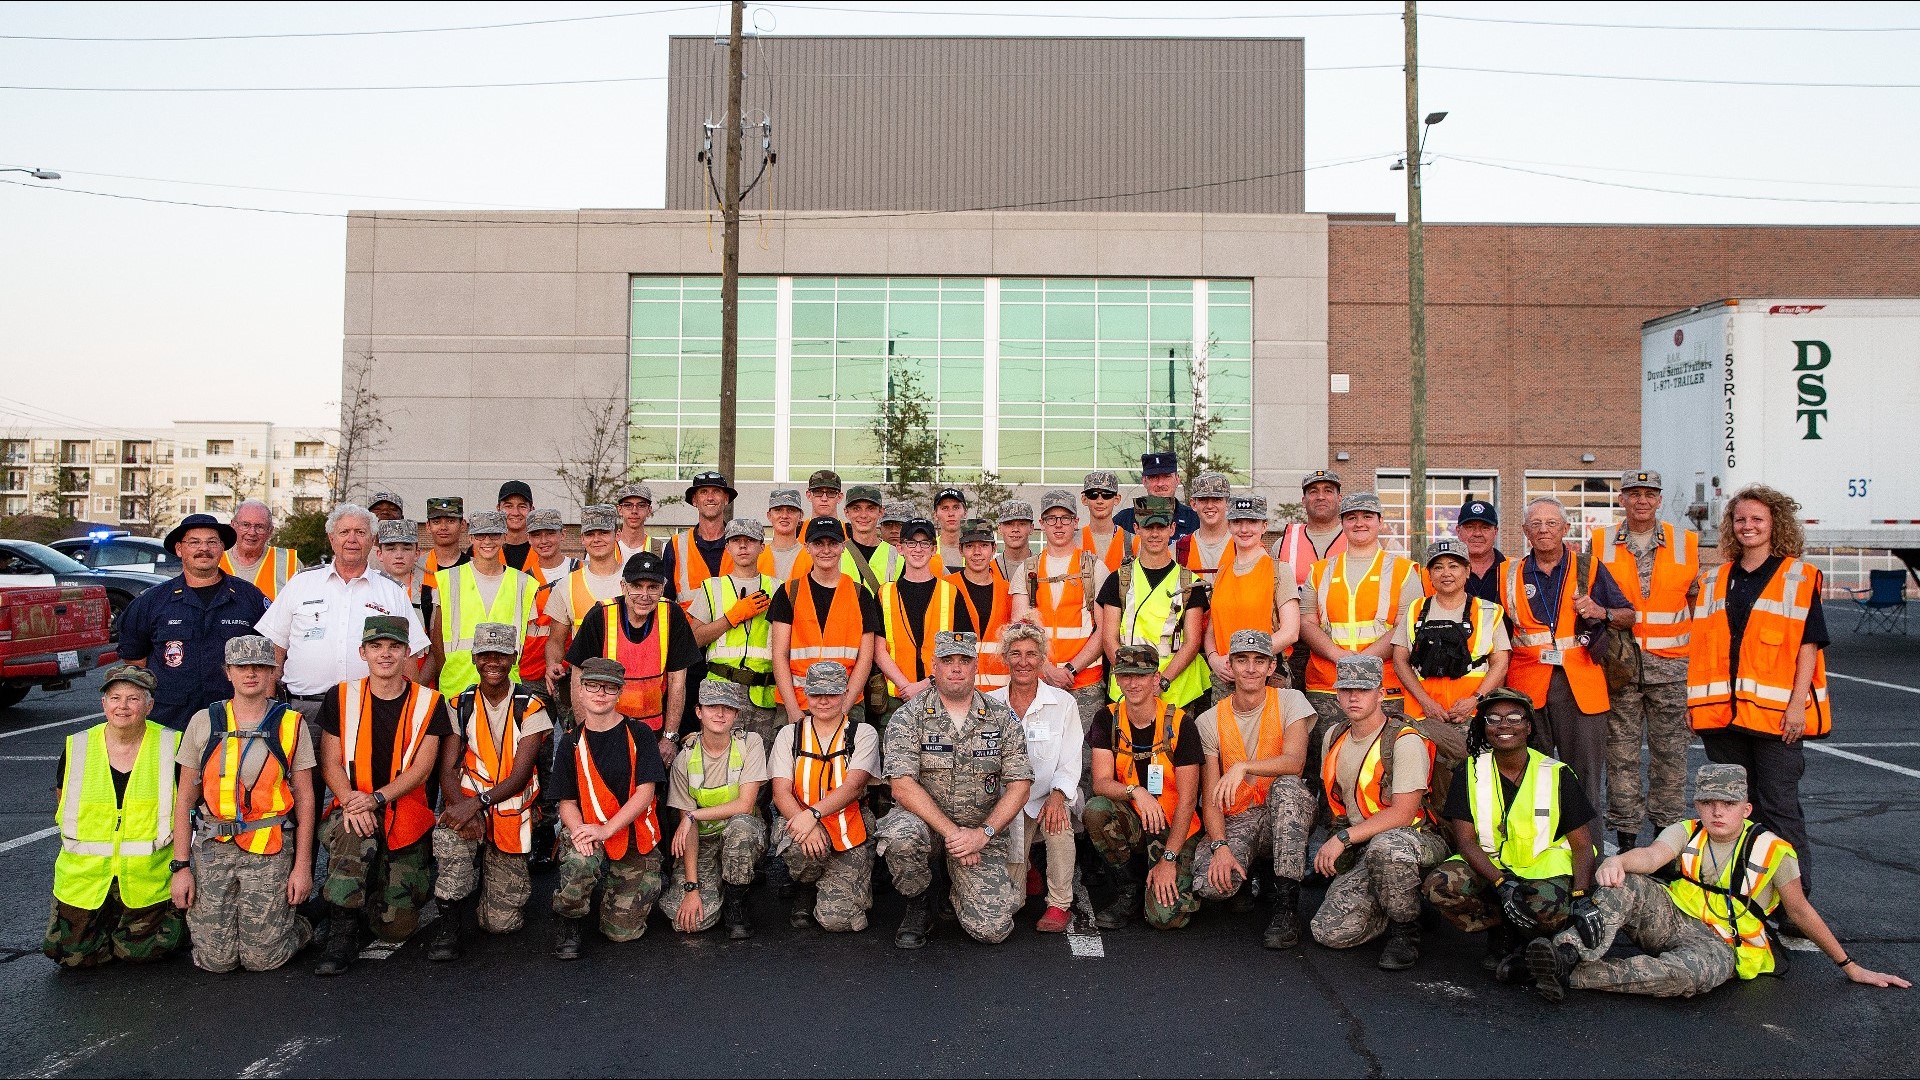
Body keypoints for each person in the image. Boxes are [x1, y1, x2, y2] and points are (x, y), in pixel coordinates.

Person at [1526, 764, 1907, 1001]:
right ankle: (1566, 952)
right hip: (1674, 918)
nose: (1717, 811)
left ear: (1746, 808)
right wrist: (1618, 859)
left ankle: (1571, 974)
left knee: (1686, 977)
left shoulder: (1774, 851)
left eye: (1727, 804)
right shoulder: (1687, 830)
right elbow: (1652, 856)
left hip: (1725, 942)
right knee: (1625, 883)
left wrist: (1850, 966)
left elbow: (1800, 912)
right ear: (1698, 804)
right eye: (1708, 802)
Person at [1688, 484, 1831, 895]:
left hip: (1776, 718)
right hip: (1721, 718)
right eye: (1740, 519)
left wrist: (1797, 706)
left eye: (1757, 520)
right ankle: (1742, 898)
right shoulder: (1714, 578)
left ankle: (1792, 911)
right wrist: (1692, 704)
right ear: (1731, 527)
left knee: (1779, 811)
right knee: (1730, 815)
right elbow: (1703, 647)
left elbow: (1809, 646)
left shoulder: (1799, 577)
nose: (1748, 526)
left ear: (1775, 525)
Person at [1421, 689, 1598, 983]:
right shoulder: (1470, 770)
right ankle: (1500, 928)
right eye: (1493, 719)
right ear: (1484, 727)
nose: (1504, 725)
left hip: (1542, 869)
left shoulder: (1557, 774)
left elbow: (1582, 845)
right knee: (1439, 886)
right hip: (1492, 868)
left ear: (1529, 727)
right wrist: (1502, 885)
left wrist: (1580, 896)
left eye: (1515, 718)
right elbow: (1465, 841)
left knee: (1551, 911)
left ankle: (1526, 939)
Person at [311, 616, 451, 976]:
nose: (385, 654)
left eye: (394, 647)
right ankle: (342, 931)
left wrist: (375, 799)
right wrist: (353, 801)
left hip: (404, 814)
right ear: (363, 651)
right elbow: (330, 763)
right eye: (376, 646)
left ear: (407, 653)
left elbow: (421, 769)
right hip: (352, 807)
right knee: (354, 835)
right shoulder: (340, 696)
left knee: (396, 925)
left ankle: (359, 892)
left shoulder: (430, 702)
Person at [876, 631, 1033, 949]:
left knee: (993, 930)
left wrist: (983, 834)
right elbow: (902, 786)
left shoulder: (1001, 717)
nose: (956, 668)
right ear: (933, 666)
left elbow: (1020, 786)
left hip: (981, 833)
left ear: (976, 666)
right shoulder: (909, 717)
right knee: (899, 836)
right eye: (948, 661)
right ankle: (919, 903)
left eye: (964, 661)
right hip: (929, 829)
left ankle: (954, 883)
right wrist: (954, 836)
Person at [169, 636, 316, 973]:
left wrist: (303, 865)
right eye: (242, 666)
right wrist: (181, 867)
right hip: (213, 845)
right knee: (215, 962)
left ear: (273, 673)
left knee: (262, 960)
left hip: (270, 846)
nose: (251, 673)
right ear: (228, 672)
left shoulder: (291, 724)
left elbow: (306, 797)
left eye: (261, 667)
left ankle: (299, 927)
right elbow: (185, 799)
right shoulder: (203, 721)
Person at [1309, 655, 1446, 971]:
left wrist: (1342, 838)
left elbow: (1402, 813)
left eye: (1363, 689)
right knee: (1328, 932)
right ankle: (1398, 900)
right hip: (1363, 844)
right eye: (1346, 689)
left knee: (1387, 846)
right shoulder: (1333, 736)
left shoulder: (1403, 740)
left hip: (1413, 840)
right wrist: (1343, 840)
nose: (1353, 697)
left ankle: (1406, 932)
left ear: (1381, 694)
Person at [1500, 496, 1635, 815]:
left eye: (1551, 523)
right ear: (1525, 531)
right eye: (1535, 524)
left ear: (1566, 528)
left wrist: (1602, 612)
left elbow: (1628, 615)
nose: (1543, 530)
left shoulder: (1588, 566)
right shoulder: (1508, 574)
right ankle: (1535, 857)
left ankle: (1589, 859)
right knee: (1529, 779)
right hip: (1527, 691)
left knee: (1585, 782)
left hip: (1581, 687)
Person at [44, 665, 185, 968]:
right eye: (115, 697)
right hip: (85, 879)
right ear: (103, 704)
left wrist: (184, 870)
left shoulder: (172, 744)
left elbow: (189, 812)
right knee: (75, 959)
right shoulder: (77, 746)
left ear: (149, 705)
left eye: (133, 698)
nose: (123, 706)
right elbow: (62, 800)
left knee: (141, 955)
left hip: (149, 879)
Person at [426, 623, 550, 961]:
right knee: (450, 838)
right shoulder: (459, 702)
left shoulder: (531, 705)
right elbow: (447, 767)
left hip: (508, 809)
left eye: (500, 655)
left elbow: (522, 774)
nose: (491, 661)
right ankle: (448, 925)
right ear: (474, 657)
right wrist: (462, 807)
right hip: (468, 801)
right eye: (484, 654)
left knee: (500, 924)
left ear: (513, 657)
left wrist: (478, 804)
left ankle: (490, 888)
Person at [1592, 470, 1700, 854]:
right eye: (1633, 493)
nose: (1641, 500)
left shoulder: (1686, 543)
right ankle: (1624, 842)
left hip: (1671, 670)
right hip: (1621, 669)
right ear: (1621, 499)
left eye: (1649, 494)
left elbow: (1695, 605)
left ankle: (1665, 845)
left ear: (1658, 499)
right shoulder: (1600, 541)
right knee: (1620, 758)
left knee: (1670, 759)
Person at [1191, 630, 1318, 949]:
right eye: (1242, 660)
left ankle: (1286, 908)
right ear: (1230, 666)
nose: (1250, 668)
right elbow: (1210, 798)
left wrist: (1243, 766)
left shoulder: (1291, 701)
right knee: (1209, 884)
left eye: (1259, 661)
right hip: (1241, 817)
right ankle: (1250, 872)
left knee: (1288, 788)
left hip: (1285, 816)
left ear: (1271, 666)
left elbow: (1294, 762)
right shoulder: (1209, 720)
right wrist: (1220, 846)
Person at [255, 503, 430, 721]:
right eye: (344, 532)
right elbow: (275, 651)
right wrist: (269, 708)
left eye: (360, 532)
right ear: (331, 538)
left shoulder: (392, 591)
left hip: (372, 710)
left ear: (372, 539)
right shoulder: (301, 584)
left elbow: (410, 658)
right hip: (304, 710)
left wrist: (410, 714)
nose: (352, 539)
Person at [548, 656, 670, 959]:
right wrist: (580, 833)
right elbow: (567, 802)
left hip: (630, 833)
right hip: (590, 827)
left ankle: (609, 897)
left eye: (608, 688)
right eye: (592, 686)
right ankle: (570, 919)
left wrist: (607, 829)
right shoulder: (571, 742)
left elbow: (645, 793)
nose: (600, 694)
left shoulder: (639, 734)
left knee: (621, 932)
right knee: (579, 861)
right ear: (579, 690)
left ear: (619, 692)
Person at [1297, 491, 1426, 768]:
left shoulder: (1404, 571)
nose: (1359, 523)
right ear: (1342, 523)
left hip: (1386, 687)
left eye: (1367, 516)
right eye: (1351, 517)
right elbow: (1306, 623)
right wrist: (1340, 657)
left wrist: (1363, 662)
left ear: (1380, 521)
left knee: (1383, 765)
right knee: (1328, 764)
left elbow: (1407, 626)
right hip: (1328, 686)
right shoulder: (1319, 571)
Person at [1084, 644, 1203, 931]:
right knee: (1095, 811)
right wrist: (1136, 791)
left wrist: (1169, 860)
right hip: (1136, 818)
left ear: (1155, 678)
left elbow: (1188, 802)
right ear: (1116, 678)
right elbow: (1100, 782)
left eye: (1141, 675)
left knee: (1165, 919)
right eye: (1125, 676)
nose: (1133, 683)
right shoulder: (1107, 718)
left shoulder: (1181, 723)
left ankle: (1178, 875)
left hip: (1175, 825)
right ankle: (1129, 888)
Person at [116, 512, 269, 731]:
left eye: (211, 542)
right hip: (170, 720)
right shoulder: (151, 602)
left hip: (234, 718)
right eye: (194, 542)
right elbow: (134, 661)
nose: (203, 549)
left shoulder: (249, 598)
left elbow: (272, 654)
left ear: (222, 548)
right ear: (179, 549)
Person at [988, 621, 1084, 934]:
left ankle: (1059, 903)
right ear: (1005, 659)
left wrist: (1058, 796)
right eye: (1015, 654)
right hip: (1007, 804)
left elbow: (1070, 759)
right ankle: (1026, 867)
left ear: (1042, 659)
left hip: (1047, 798)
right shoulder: (990, 704)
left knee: (1059, 823)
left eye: (1031, 654)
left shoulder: (1064, 703)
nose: (1023, 661)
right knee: (1010, 905)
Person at [770, 662, 881, 932]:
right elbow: (781, 791)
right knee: (796, 844)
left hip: (848, 823)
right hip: (801, 818)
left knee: (837, 922)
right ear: (806, 694)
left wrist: (814, 814)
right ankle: (805, 886)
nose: (823, 701)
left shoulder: (863, 733)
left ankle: (842, 881)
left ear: (845, 693)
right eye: (817, 693)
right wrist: (804, 822)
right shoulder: (790, 734)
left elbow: (854, 787)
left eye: (831, 693)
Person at [565, 551, 702, 761]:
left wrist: (669, 738)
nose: (644, 596)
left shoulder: (672, 615)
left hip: (653, 733)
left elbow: (677, 682)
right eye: (637, 586)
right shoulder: (600, 615)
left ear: (662, 589)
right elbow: (578, 679)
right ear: (623, 586)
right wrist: (587, 733)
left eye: (652, 587)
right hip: (605, 729)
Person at [1391, 537, 1510, 776]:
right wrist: (1425, 702)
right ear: (1429, 574)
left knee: (1475, 778)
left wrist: (1475, 700)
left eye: (1454, 566)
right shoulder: (1415, 609)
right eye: (1438, 567)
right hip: (1423, 715)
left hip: (1472, 714)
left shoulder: (1488, 611)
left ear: (1467, 571)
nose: (1446, 573)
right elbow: (1400, 660)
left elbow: (1500, 662)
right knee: (1425, 779)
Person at [661, 681, 770, 938]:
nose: (720, 714)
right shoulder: (684, 759)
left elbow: (745, 805)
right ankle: (716, 884)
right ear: (699, 712)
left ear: (736, 714)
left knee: (741, 827)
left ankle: (736, 903)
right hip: (704, 843)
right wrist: (692, 888)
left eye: (727, 708)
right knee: (689, 922)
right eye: (712, 707)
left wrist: (693, 815)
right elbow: (689, 833)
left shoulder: (750, 744)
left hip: (738, 837)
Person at [1099, 495, 1210, 716]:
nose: (1155, 534)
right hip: (1127, 689)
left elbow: (1192, 642)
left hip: (1176, 691)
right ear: (1136, 528)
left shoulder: (1190, 583)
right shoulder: (1118, 580)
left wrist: (1162, 682)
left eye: (1161, 526)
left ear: (1172, 529)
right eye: (1148, 527)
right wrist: (1129, 679)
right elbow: (1109, 638)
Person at [770, 518, 883, 726]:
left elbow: (865, 658)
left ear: (843, 547)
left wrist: (844, 707)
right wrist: (793, 711)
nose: (826, 550)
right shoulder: (788, 592)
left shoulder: (860, 595)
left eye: (832, 543)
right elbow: (779, 655)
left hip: (846, 705)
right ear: (807, 548)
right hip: (798, 705)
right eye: (818, 543)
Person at [424, 509, 537, 699]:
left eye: (494, 535)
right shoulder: (448, 580)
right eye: (480, 535)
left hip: (506, 690)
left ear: (504, 537)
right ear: (470, 538)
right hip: (457, 687)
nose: (487, 541)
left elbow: (528, 644)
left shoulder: (524, 584)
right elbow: (438, 641)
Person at [1202, 494, 1301, 703]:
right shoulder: (1222, 573)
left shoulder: (1278, 571)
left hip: (1265, 678)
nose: (1244, 529)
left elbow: (1291, 632)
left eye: (1252, 522)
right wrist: (1214, 659)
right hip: (1225, 680)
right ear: (1229, 526)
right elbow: (1212, 629)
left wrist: (1246, 661)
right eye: (1238, 522)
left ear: (1264, 526)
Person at [689, 518, 780, 744]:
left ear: (762, 546)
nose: (742, 546)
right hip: (720, 691)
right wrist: (732, 617)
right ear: (727, 547)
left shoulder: (779, 588)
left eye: (749, 540)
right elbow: (694, 639)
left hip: (764, 693)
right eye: (736, 540)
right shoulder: (712, 587)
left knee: (761, 767)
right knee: (720, 763)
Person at [1027, 490, 1110, 729]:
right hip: (1040, 681)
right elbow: (1020, 632)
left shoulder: (1094, 568)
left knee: (1084, 759)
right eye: (1051, 518)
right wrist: (1047, 669)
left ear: (1076, 522)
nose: (1059, 524)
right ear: (1042, 524)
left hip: (1086, 684)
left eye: (1065, 518)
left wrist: (1071, 669)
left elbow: (1104, 630)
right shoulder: (1028, 569)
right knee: (1040, 753)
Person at [873, 517, 960, 722]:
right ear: (900, 548)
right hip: (895, 699)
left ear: (934, 549)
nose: (917, 549)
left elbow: (959, 650)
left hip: (941, 696)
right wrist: (906, 686)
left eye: (924, 543)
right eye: (911, 543)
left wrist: (924, 685)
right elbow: (878, 649)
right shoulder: (885, 593)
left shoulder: (951, 593)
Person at [542, 504, 625, 702]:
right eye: (590, 534)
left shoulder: (635, 582)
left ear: (617, 535)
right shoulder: (567, 585)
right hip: (586, 686)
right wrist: (552, 663)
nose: (597, 539)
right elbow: (556, 639)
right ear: (582, 539)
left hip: (630, 680)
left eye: (604, 532)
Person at [1272, 469, 1347, 688]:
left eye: (1328, 490)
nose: (1321, 496)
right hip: (1292, 648)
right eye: (1313, 491)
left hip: (1340, 646)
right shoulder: (1284, 543)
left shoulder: (1356, 538)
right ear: (1304, 500)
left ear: (1339, 497)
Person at [949, 517, 1028, 692]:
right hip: (958, 690)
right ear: (960, 550)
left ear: (994, 549)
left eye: (984, 545)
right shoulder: (945, 588)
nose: (977, 552)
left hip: (1001, 692)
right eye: (970, 546)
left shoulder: (1009, 592)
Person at [520, 508, 576, 690]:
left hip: (572, 671)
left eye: (550, 533)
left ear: (562, 534)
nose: (543, 541)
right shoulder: (522, 580)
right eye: (536, 535)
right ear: (529, 538)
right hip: (530, 673)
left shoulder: (580, 572)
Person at [672, 470, 735, 603]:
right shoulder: (677, 545)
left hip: (734, 623)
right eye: (704, 492)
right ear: (694, 500)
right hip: (687, 624)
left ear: (726, 498)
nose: (710, 497)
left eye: (716, 491)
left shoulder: (741, 543)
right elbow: (665, 600)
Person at [220, 500, 301, 602]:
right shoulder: (215, 560)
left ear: (270, 531)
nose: (252, 532)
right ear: (233, 525)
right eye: (245, 525)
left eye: (260, 527)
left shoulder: (290, 563)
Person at [1113, 451, 1201, 539]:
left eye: (1166, 476)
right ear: (1144, 481)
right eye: (1153, 477)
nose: (1160, 484)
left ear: (1177, 479)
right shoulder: (1125, 520)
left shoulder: (1195, 520)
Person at [842, 484, 903, 590]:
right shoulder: (835, 553)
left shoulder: (897, 556)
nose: (863, 515)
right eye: (856, 509)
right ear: (847, 512)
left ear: (881, 512)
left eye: (870, 508)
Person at [1174, 472, 1234, 578]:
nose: (1210, 506)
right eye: (1203, 500)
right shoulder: (1179, 549)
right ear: (1193, 504)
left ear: (1228, 503)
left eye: (1217, 499)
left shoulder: (1243, 546)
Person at [373, 518, 429, 622]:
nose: (399, 556)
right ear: (380, 554)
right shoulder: (369, 591)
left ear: (417, 554)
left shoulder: (429, 595)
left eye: (406, 549)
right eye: (391, 549)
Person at [1079, 469, 1133, 573]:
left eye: (1107, 495)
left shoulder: (1132, 543)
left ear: (1116, 499)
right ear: (1084, 499)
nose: (1100, 501)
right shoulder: (1075, 541)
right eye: (1093, 495)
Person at [1455, 499, 1505, 605]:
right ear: (1458, 530)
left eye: (1485, 528)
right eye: (1470, 527)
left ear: (1495, 531)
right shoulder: (1441, 572)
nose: (1477, 533)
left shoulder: (1513, 570)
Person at [759, 487, 809, 580]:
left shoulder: (811, 556)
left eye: (791, 510)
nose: (784, 516)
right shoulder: (757, 556)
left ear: (800, 516)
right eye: (778, 510)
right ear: (769, 515)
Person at [613, 481, 665, 568]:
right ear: (620, 510)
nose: (634, 511)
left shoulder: (660, 550)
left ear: (649, 510)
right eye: (628, 505)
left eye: (641, 505)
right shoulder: (605, 548)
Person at [421, 496, 471, 580]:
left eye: (450, 521)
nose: (443, 527)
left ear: (463, 525)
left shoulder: (475, 567)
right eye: (436, 522)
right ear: (428, 526)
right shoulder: (417, 567)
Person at [497, 480, 539, 575]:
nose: (515, 512)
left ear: (532, 510)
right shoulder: (480, 550)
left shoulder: (543, 549)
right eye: (509, 506)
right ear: (498, 508)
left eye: (522, 506)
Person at [993, 500, 1037, 583]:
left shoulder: (1043, 566)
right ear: (999, 528)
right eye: (1009, 524)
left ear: (1031, 528)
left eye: (1022, 524)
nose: (1015, 529)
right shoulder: (990, 568)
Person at [931, 486, 968, 573]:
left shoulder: (975, 551)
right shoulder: (927, 550)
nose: (951, 513)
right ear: (935, 515)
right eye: (945, 508)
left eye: (956, 507)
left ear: (965, 513)